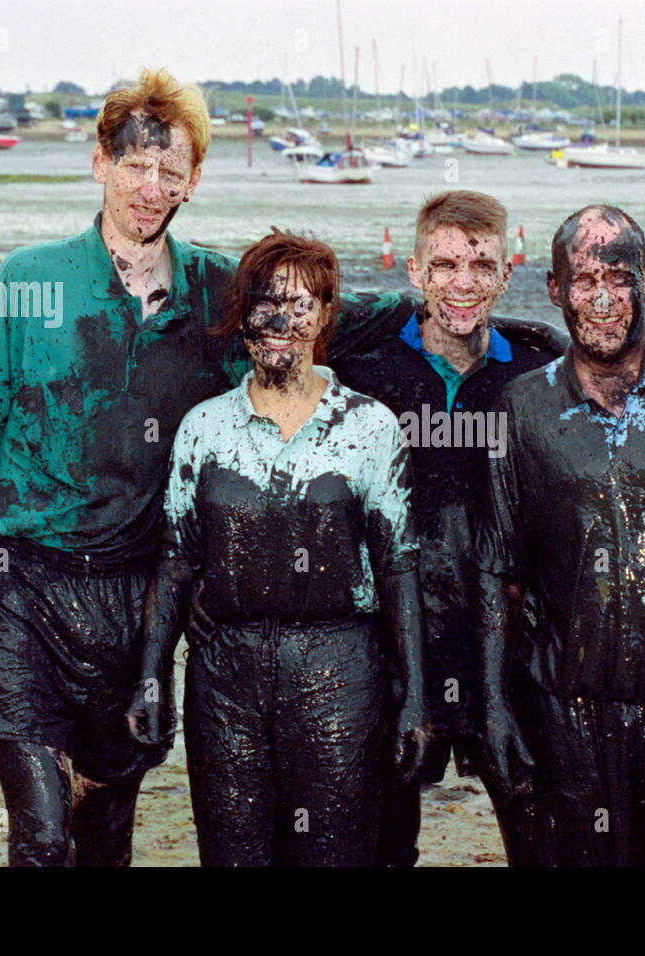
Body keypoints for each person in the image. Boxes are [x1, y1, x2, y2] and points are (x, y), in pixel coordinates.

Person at [0, 68, 433, 867]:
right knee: (40, 837)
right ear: (100, 163)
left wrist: (464, 319)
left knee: (107, 831)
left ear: (193, 181)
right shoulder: (24, 282)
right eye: (136, 166)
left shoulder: (221, 291)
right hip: (18, 586)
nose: (150, 188)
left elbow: (341, 321)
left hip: (129, 599)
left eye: (169, 171)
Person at [125, 231, 428, 866]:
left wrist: (416, 698)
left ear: (324, 317)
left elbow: (398, 566)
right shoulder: (204, 427)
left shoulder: (368, 425)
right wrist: (153, 676)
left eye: (299, 304)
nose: (280, 321)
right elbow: (177, 562)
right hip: (223, 676)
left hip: (339, 667)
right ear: (242, 315)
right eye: (263, 302)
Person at [473, 205, 645, 866]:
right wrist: (492, 707)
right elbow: (496, 572)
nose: (601, 298)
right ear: (554, 289)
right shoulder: (523, 406)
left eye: (617, 278)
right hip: (569, 716)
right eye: (582, 278)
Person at [334, 190, 563, 867]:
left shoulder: (538, 375)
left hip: (509, 642)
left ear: (505, 274)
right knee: (380, 840)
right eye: (443, 265)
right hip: (394, 639)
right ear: (414, 271)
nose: (462, 283)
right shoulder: (364, 375)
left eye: (480, 265)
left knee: (539, 832)